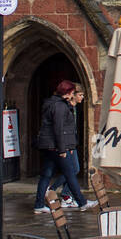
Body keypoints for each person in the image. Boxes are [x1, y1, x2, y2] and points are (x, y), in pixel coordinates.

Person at [33, 79, 95, 213]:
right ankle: (82, 202)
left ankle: (38, 205)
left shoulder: (52, 103)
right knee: (71, 173)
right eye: (73, 92)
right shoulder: (60, 106)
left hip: (49, 145)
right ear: (68, 93)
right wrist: (63, 149)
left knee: (46, 175)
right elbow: (59, 129)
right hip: (56, 146)